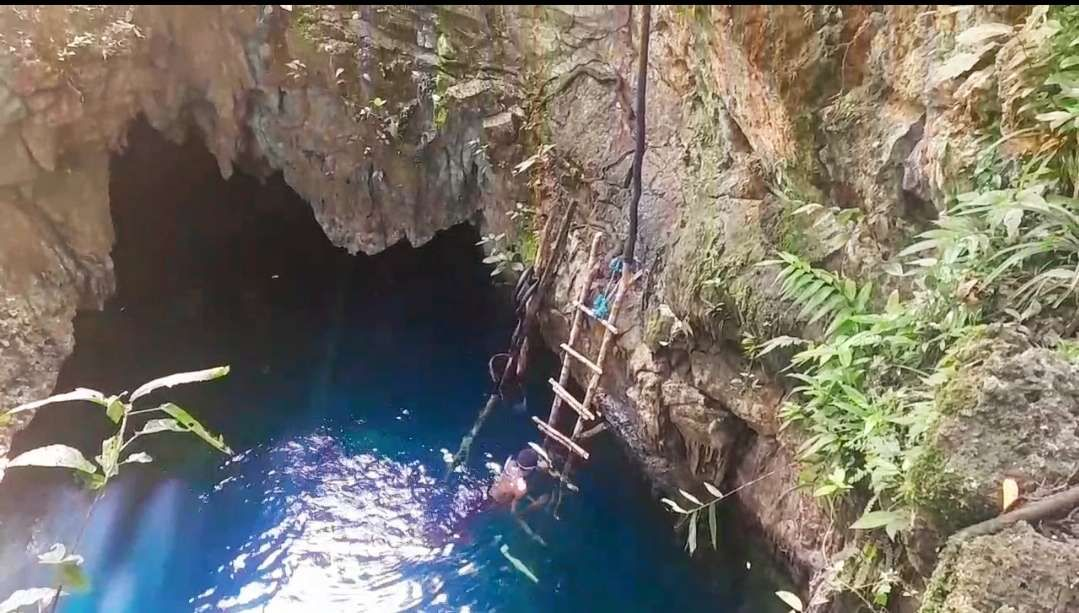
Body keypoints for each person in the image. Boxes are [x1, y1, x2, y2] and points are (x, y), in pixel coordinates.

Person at [489, 448, 548, 515]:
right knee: (543, 499)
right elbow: (513, 509)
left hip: (491, 492)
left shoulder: (510, 464)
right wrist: (535, 505)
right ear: (531, 469)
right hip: (499, 504)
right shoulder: (521, 487)